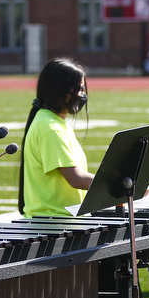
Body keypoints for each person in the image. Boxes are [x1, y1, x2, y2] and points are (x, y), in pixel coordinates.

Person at [18, 58, 93, 217]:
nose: (83, 95)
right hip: (53, 225)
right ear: (58, 90)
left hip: (59, 221)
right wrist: (121, 185)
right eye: (79, 89)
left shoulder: (54, 122)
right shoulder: (50, 128)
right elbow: (76, 179)